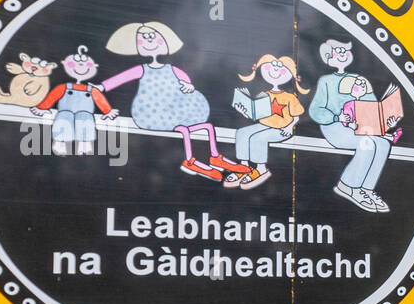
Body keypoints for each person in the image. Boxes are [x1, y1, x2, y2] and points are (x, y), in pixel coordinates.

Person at [100, 21, 250, 184]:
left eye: (153, 38)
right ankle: (190, 161)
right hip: (150, 114)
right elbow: (121, 78)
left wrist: (188, 86)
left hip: (169, 112)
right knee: (184, 130)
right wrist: (101, 86)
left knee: (208, 127)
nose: (149, 42)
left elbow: (186, 80)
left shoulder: (173, 69)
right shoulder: (143, 69)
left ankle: (215, 157)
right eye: (143, 40)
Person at [308, 38, 393, 213]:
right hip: (335, 127)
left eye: (344, 51)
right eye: (337, 51)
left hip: (361, 127)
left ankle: (367, 189)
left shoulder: (359, 80)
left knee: (383, 143)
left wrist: (385, 119)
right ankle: (348, 185)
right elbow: (316, 110)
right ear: (329, 57)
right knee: (367, 143)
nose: (342, 55)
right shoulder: (326, 81)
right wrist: (337, 116)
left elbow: (371, 107)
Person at [228, 54, 310, 190]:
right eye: (269, 68)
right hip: (264, 125)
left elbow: (296, 117)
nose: (275, 72)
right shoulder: (265, 94)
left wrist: (290, 127)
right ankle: (243, 166)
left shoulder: (290, 97)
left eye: (281, 70)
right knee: (242, 132)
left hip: (281, 129)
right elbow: (257, 113)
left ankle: (260, 169)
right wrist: (244, 109)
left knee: (258, 138)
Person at [30, 46, 117, 155]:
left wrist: (107, 111)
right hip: (65, 112)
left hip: (85, 113)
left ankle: (84, 144)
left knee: (86, 120)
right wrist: (42, 107)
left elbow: (100, 101)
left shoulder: (92, 90)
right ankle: (60, 143)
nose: (81, 67)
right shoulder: (64, 87)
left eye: (86, 64)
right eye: (74, 64)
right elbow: (52, 97)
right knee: (63, 119)